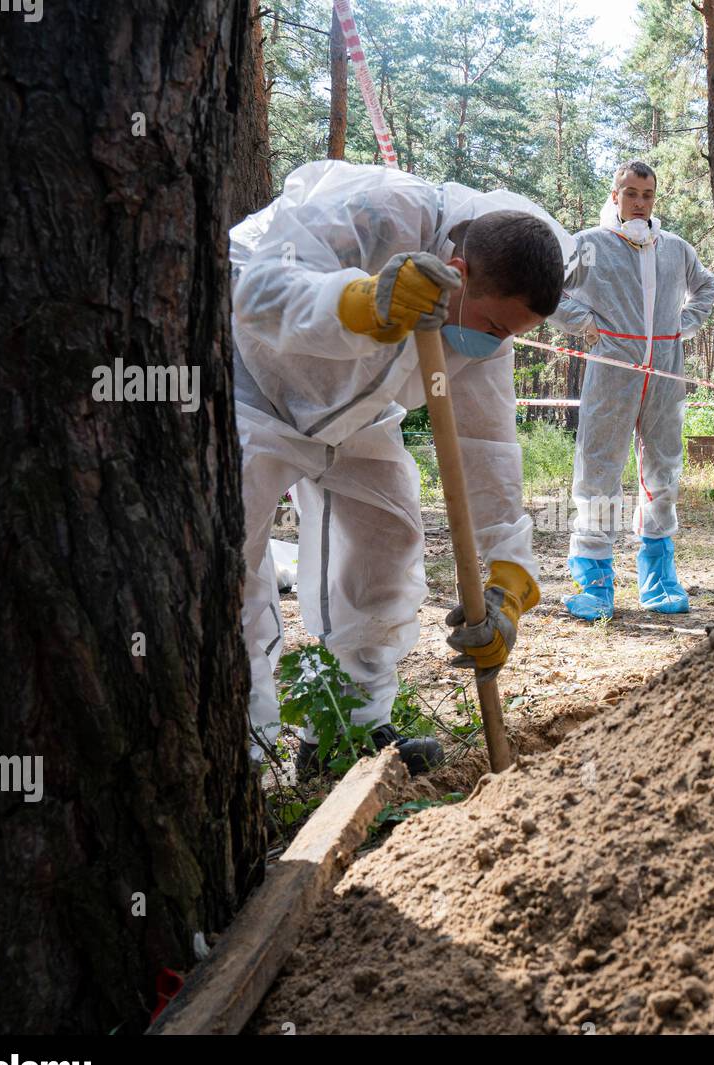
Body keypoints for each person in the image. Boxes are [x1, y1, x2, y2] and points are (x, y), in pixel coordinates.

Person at [231, 160, 573, 771]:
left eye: (510, 335)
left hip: (358, 412)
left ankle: (349, 729)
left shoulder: (486, 320)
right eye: (494, 326)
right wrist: (364, 299)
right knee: (230, 555)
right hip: (255, 381)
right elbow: (257, 293)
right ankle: (241, 748)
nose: (495, 345)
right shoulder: (381, 209)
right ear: (461, 273)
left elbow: (489, 449)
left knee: (386, 537)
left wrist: (509, 574)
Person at [548, 160, 714, 620]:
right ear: (614, 195)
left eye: (647, 194)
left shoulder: (676, 249)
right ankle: (594, 577)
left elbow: (706, 286)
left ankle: (659, 576)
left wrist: (684, 324)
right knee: (600, 469)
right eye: (631, 193)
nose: (639, 202)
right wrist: (582, 323)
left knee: (663, 470)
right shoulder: (589, 244)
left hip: (665, 372)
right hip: (612, 370)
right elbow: (549, 289)